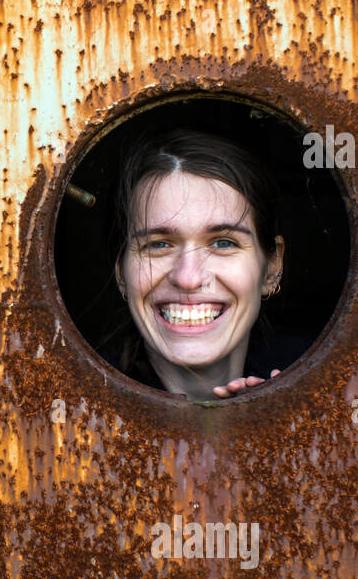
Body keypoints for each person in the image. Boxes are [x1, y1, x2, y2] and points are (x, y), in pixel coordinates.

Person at [101, 128, 307, 401]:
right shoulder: (71, 404)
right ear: (121, 273)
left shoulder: (334, 382)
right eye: (159, 244)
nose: (188, 278)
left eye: (223, 243)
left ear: (272, 266)